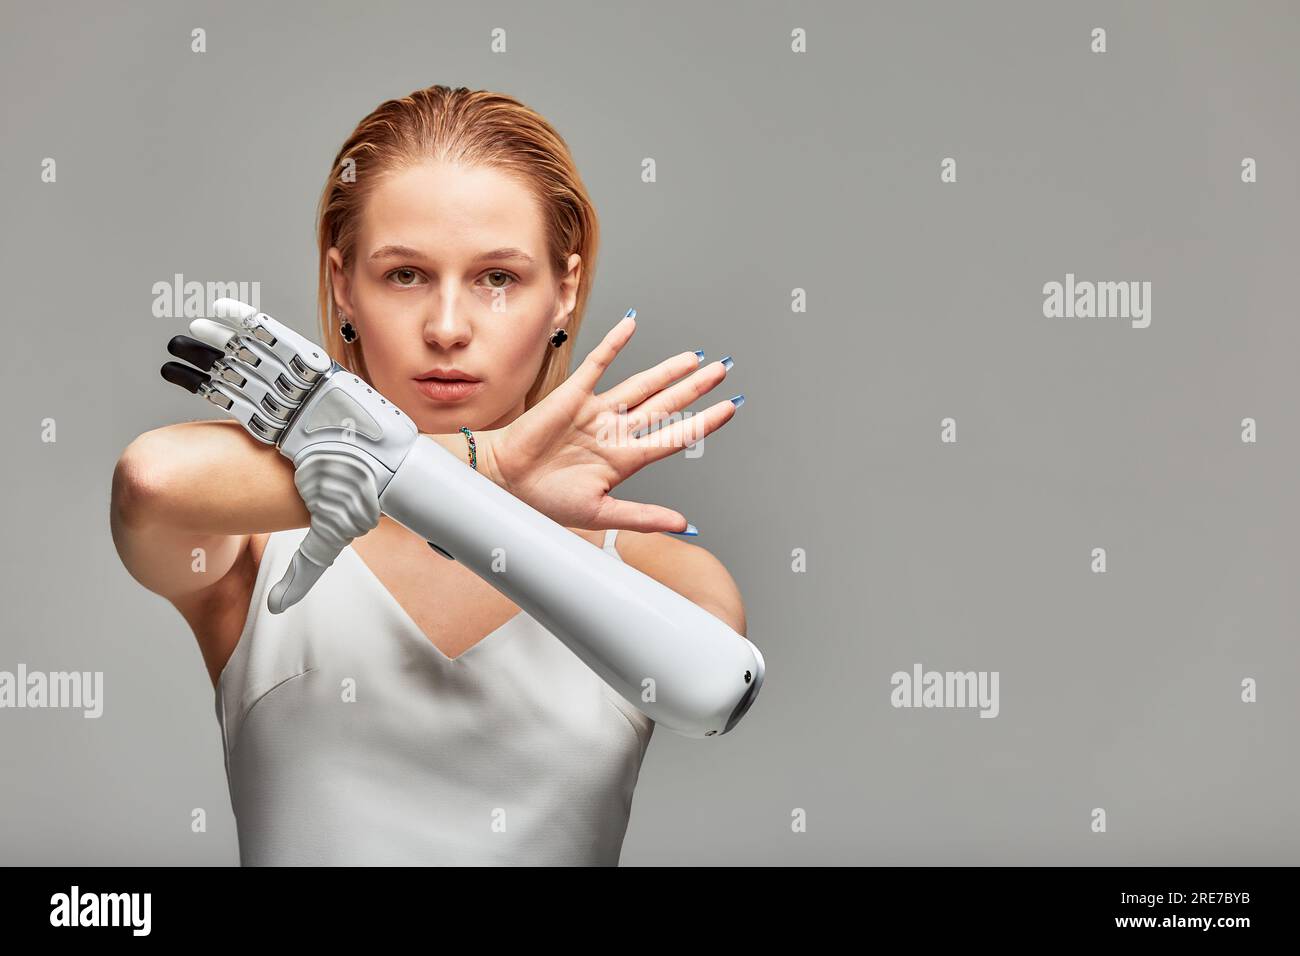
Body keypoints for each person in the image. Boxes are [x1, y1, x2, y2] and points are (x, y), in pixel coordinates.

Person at [110, 84, 749, 865]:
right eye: (405, 275)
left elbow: (716, 689)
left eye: (498, 278)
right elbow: (151, 480)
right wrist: (490, 467)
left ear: (565, 292)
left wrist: (462, 481)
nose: (447, 328)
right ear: (344, 285)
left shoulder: (658, 572)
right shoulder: (252, 549)